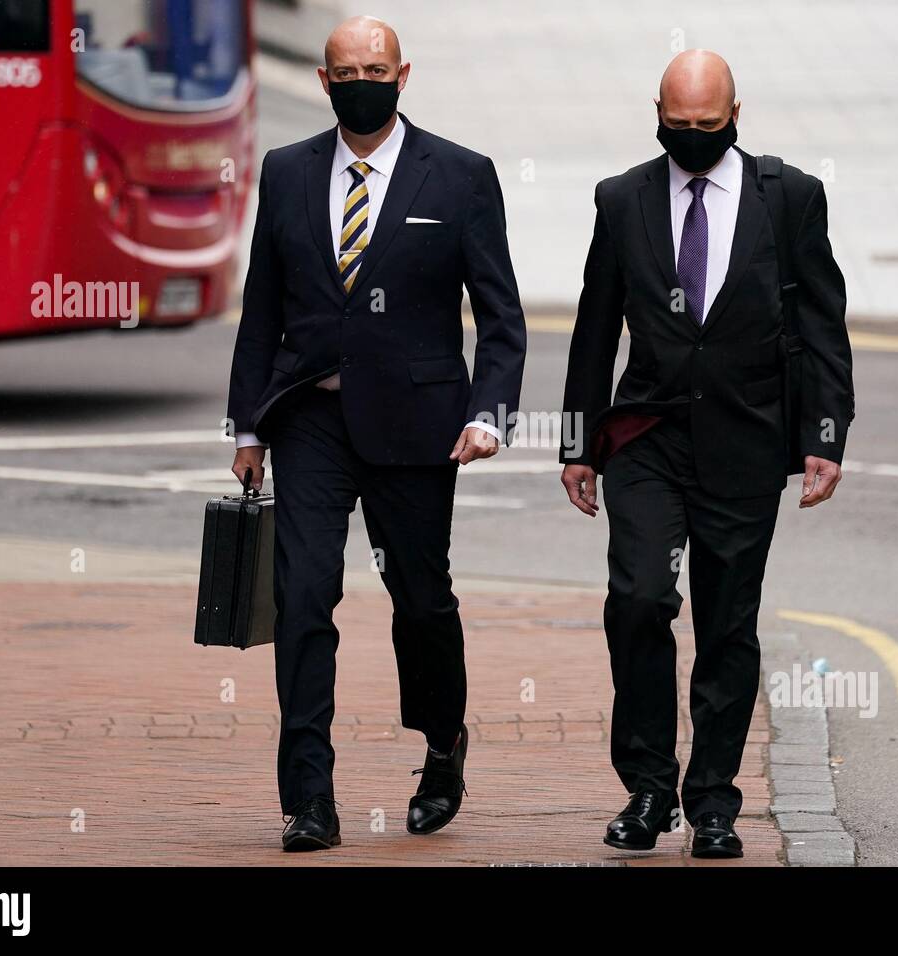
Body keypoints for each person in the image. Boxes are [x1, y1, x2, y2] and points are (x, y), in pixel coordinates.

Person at [227, 16, 526, 851]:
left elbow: (501, 318)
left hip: (420, 426)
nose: (363, 79)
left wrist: (489, 414)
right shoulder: (286, 173)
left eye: (377, 67)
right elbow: (261, 311)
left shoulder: (461, 176)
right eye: (347, 69)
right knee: (304, 596)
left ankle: (442, 746)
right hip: (310, 420)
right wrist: (248, 425)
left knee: (421, 601)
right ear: (323, 82)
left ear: (403, 75)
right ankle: (308, 798)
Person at [559, 50, 854, 858]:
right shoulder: (621, 200)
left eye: (707, 126)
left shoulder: (790, 198)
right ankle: (649, 789)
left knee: (728, 624)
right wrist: (578, 442)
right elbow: (595, 324)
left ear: (736, 114)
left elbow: (824, 322)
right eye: (677, 125)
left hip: (747, 440)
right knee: (640, 598)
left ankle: (714, 803)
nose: (692, 138)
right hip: (648, 437)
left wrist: (824, 436)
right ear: (657, 111)